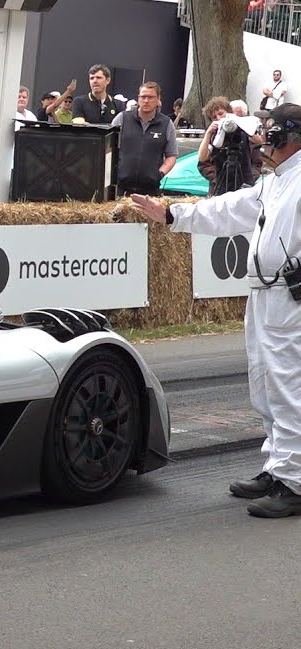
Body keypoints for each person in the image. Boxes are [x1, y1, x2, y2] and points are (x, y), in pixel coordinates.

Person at [130, 103, 301, 518]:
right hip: (265, 293)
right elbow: (229, 209)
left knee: (288, 385)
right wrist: (172, 213)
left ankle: (295, 480)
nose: (263, 142)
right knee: (265, 385)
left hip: (290, 297)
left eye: (271, 135)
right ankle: (278, 467)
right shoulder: (275, 182)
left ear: (289, 137)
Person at [110, 81, 177, 195]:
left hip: (150, 190)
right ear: (138, 98)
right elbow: (108, 149)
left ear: (158, 99)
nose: (146, 101)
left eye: (150, 97)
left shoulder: (166, 124)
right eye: (143, 97)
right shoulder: (122, 119)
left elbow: (172, 155)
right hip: (121, 189)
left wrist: (160, 174)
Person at [197, 96, 257, 196]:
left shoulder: (243, 129)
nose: (219, 118)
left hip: (244, 182)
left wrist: (239, 123)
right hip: (222, 184)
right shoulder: (215, 136)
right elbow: (202, 158)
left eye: (221, 114)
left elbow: (259, 141)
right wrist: (208, 134)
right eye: (214, 117)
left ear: (229, 112)